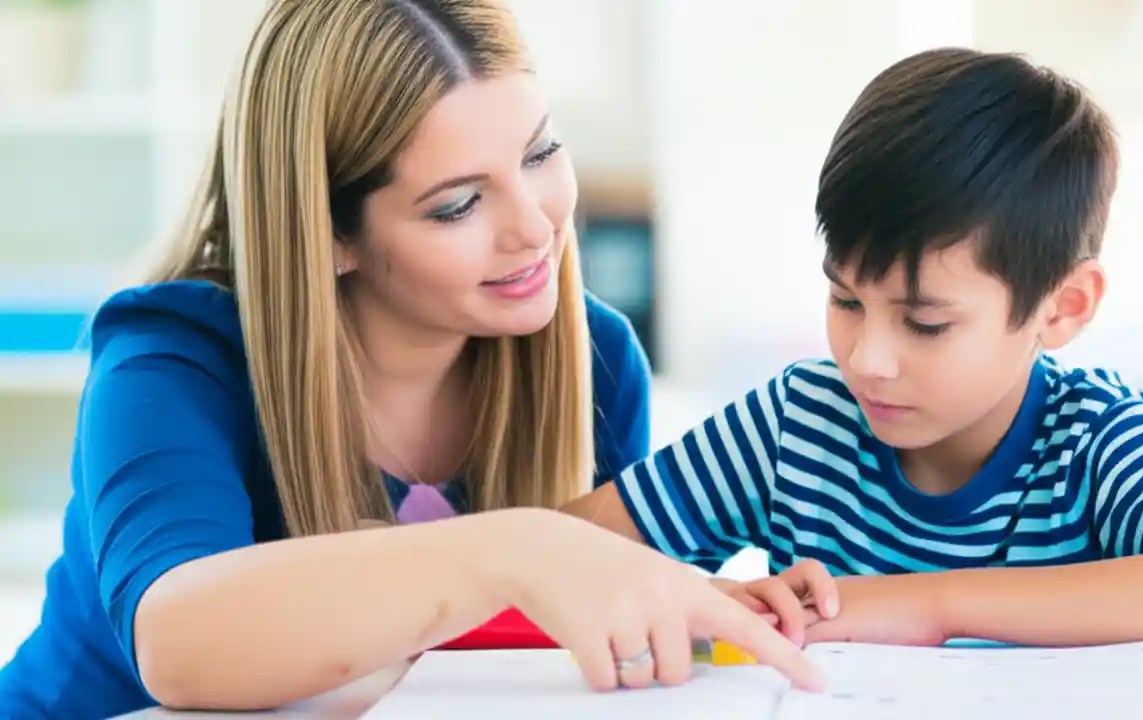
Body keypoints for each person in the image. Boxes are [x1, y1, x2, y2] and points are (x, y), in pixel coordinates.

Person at [0, 1, 820, 717]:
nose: (534, 227)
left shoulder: (595, 357)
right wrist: (519, 550)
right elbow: (176, 643)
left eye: (539, 155)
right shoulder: (175, 357)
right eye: (458, 204)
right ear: (329, 235)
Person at [566, 48, 1143, 655]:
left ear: (1062, 309)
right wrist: (701, 596)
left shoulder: (1092, 437)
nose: (866, 359)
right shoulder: (798, 424)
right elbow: (538, 560)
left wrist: (926, 607)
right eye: (846, 301)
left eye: (926, 323)